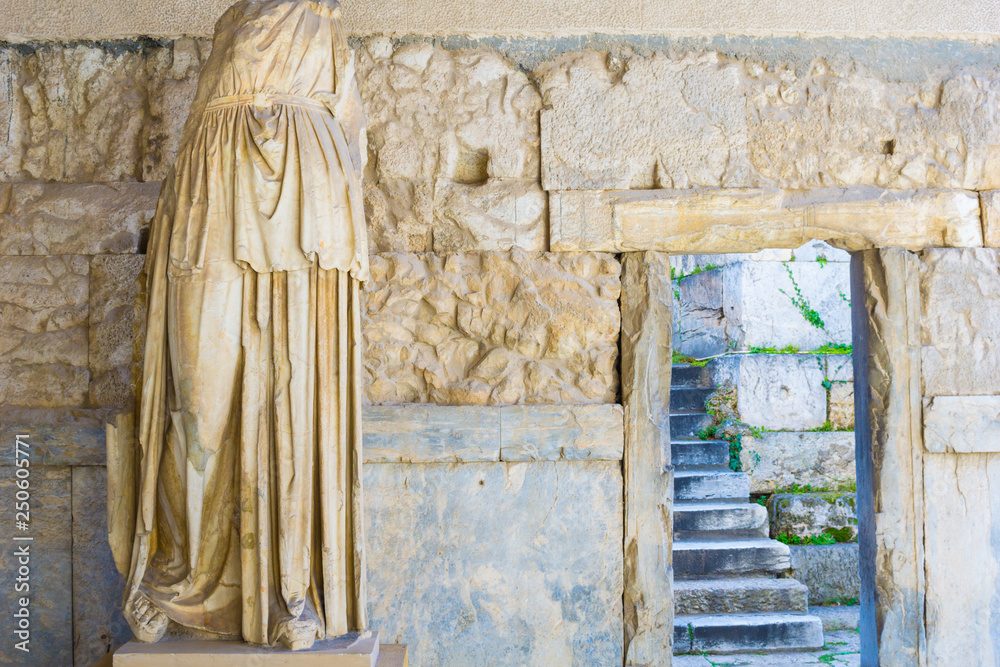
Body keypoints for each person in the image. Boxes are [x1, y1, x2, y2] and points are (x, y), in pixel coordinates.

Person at [107, 0, 369, 650]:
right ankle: (182, 576)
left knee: (292, 397)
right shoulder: (229, 22)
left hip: (303, 203)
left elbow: (353, 138)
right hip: (210, 199)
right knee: (196, 398)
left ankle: (290, 590)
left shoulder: (323, 19)